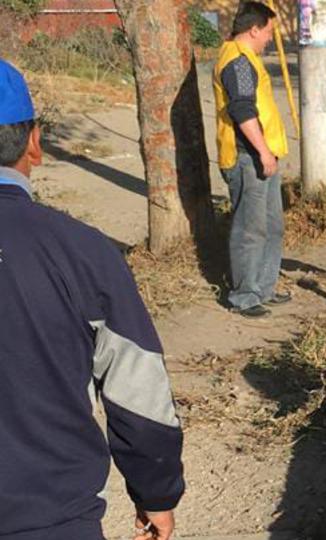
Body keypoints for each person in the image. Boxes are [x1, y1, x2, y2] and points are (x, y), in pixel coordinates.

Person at [0, 59, 184, 540]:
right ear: (34, 144)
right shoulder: (82, 251)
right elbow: (137, 385)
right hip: (54, 519)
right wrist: (156, 492)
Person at [213, 1, 290, 319]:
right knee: (251, 229)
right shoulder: (237, 62)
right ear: (254, 29)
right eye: (269, 31)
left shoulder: (246, 59)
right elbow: (242, 111)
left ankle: (263, 288)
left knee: (272, 226)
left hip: (262, 155)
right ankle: (244, 295)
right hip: (248, 157)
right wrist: (261, 152)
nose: (270, 38)